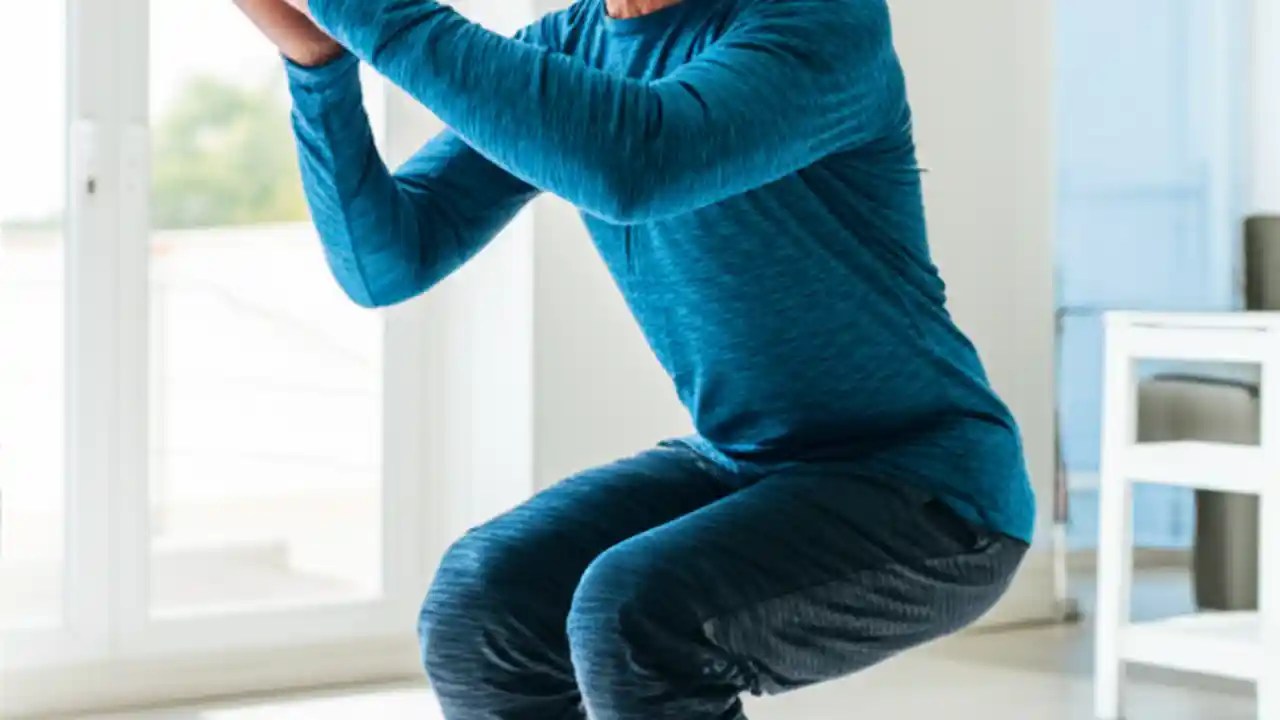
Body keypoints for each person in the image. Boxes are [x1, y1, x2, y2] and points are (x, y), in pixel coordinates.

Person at [234, 0, 1035, 717]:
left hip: (931, 489)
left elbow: (637, 162)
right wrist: (318, 63)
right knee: (482, 602)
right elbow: (387, 262)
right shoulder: (576, 42)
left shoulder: (819, 21)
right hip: (744, 460)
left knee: (639, 613)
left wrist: (368, 8)